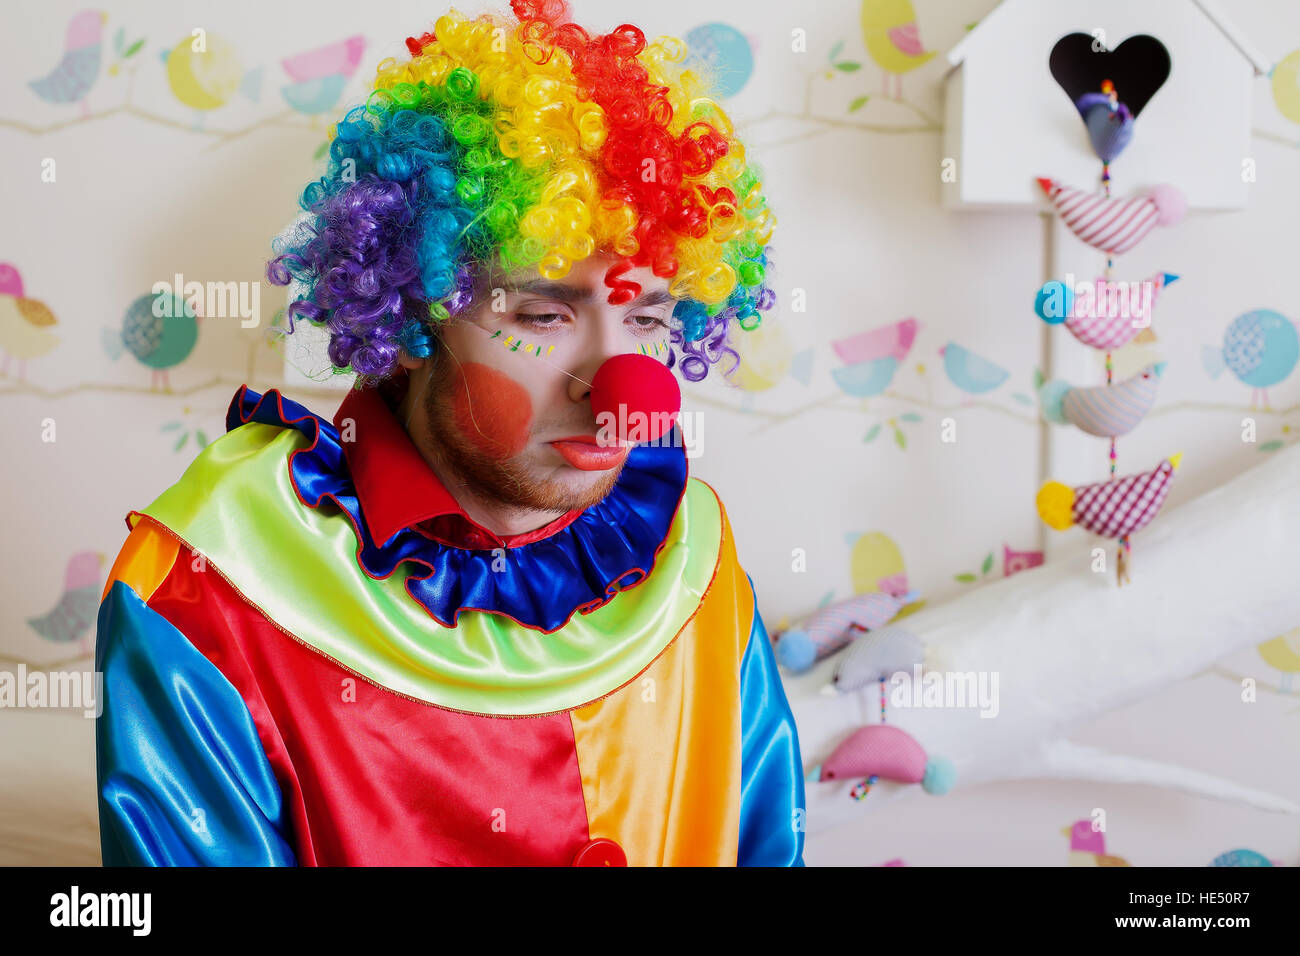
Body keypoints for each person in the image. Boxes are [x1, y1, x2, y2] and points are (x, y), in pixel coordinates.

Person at [94, 0, 805, 866]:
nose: (617, 389)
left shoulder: (690, 550)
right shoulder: (214, 582)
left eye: (649, 321)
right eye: (543, 315)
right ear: (410, 315)